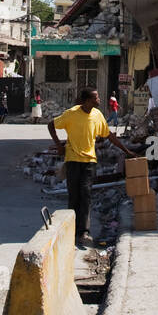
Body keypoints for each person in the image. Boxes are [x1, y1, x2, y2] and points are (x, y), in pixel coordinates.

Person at [48, 87, 137, 246]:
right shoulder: (71, 114)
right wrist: (59, 146)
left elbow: (109, 135)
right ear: (88, 100)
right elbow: (51, 125)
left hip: (90, 162)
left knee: (86, 195)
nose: (99, 100)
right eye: (96, 98)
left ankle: (85, 231)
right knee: (74, 196)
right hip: (73, 161)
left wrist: (126, 150)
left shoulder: (97, 115)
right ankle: (72, 230)